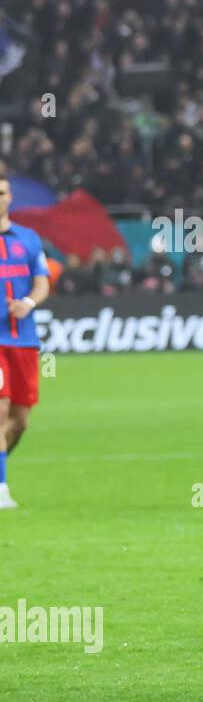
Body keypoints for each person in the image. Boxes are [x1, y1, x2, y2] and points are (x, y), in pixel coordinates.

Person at [0, 175, 52, 510]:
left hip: (24, 340)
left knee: (20, 420)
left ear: (10, 197)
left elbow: (42, 284)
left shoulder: (29, 239)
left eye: (1, 192)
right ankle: (1, 489)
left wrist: (28, 304)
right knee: (0, 410)